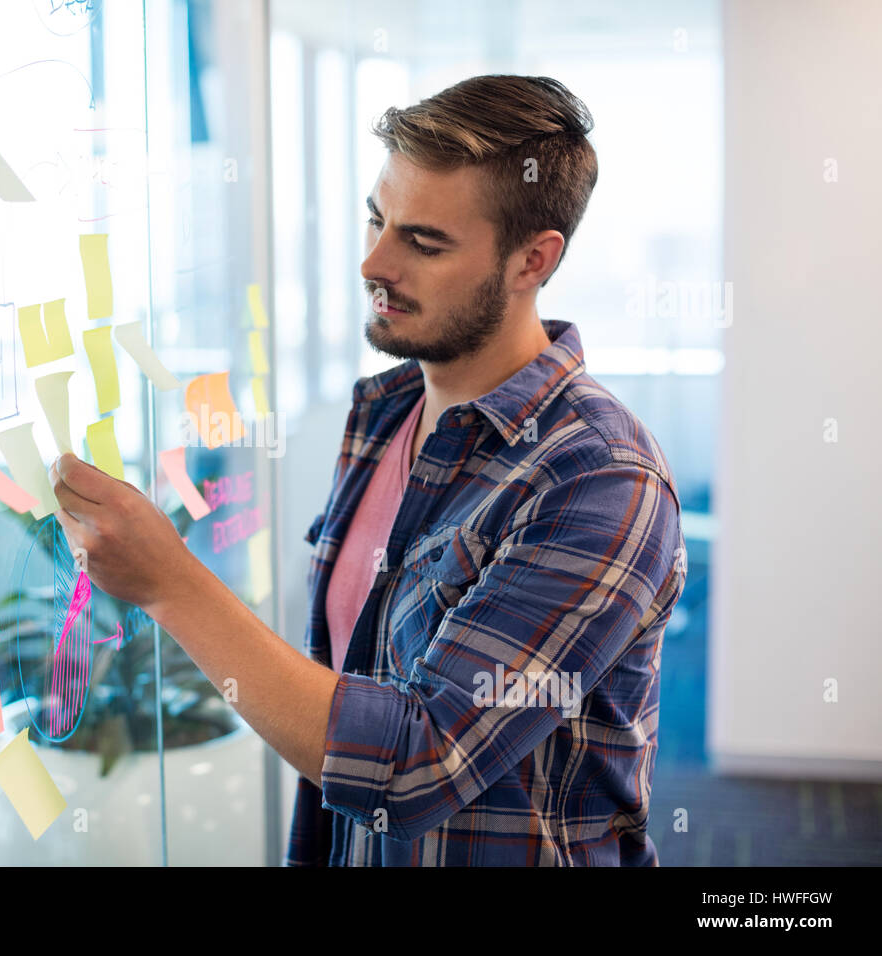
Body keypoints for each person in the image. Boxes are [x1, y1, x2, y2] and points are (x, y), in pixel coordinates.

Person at [46, 74, 686, 866]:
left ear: (533, 260)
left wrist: (169, 582)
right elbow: (349, 699)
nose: (373, 262)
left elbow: (416, 762)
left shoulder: (599, 477)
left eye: (423, 242)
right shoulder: (385, 414)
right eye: (378, 221)